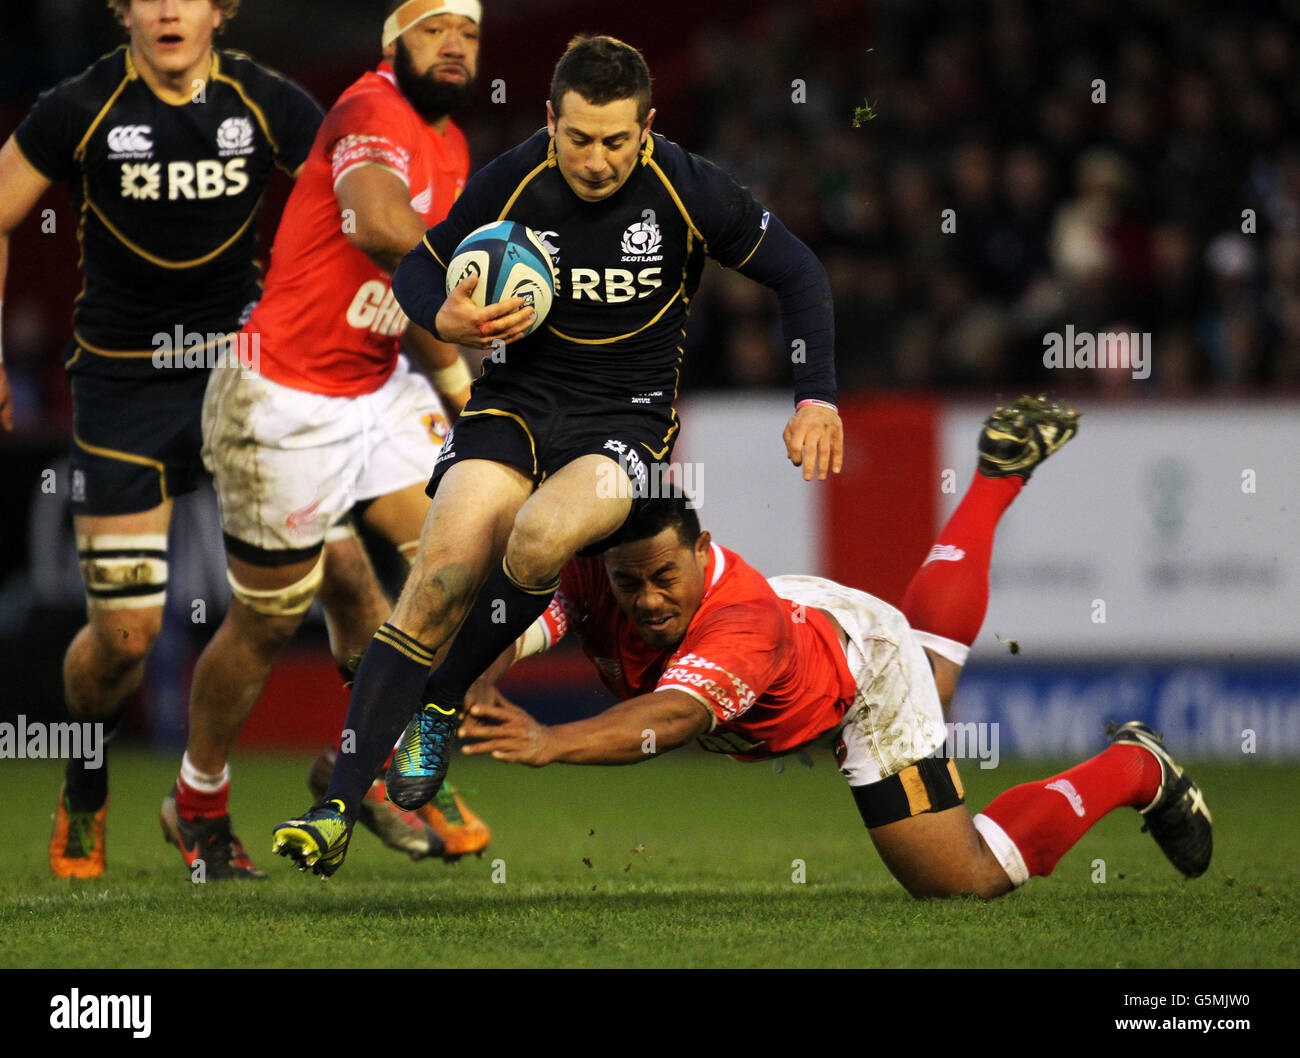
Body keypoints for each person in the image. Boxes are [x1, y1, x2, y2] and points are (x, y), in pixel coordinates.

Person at [270, 34, 846, 867]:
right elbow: (417, 270)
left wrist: (816, 397)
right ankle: (335, 807)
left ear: (646, 129)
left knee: (541, 535)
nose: (598, 160)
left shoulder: (687, 189)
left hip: (628, 420)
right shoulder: (515, 178)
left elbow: (799, 275)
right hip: (516, 405)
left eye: (617, 140)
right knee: (436, 580)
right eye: (579, 138)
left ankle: (437, 705)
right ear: (551, 120)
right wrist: (448, 319)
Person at [278, 396, 1213, 894]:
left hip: (858, 681)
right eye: (628, 582)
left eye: (662, 579)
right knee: (934, 656)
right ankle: (994, 488)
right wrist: (452, 694)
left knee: (961, 877)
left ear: (699, 546)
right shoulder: (602, 577)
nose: (644, 600)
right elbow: (508, 628)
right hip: (815, 623)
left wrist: (552, 740)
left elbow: (676, 718)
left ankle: (1134, 767)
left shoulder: (739, 622)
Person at [162, 0, 492, 879]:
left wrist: (460, 386)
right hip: (283, 398)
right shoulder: (367, 111)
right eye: (434, 29)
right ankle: (196, 802)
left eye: (469, 32)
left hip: (378, 386)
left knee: (453, 565)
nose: (455, 44)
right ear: (394, 43)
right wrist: (470, 289)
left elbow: (415, 292)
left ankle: (363, 770)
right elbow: (378, 226)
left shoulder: (451, 145)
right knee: (270, 617)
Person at [0, 0, 328, 879]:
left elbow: (354, 198)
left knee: (281, 602)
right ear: (124, 9)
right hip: (120, 391)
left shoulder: (268, 103)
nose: (170, 8)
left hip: (239, 383)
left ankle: (213, 805)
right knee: (127, 638)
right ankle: (85, 783)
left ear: (222, 9)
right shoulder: (79, 105)